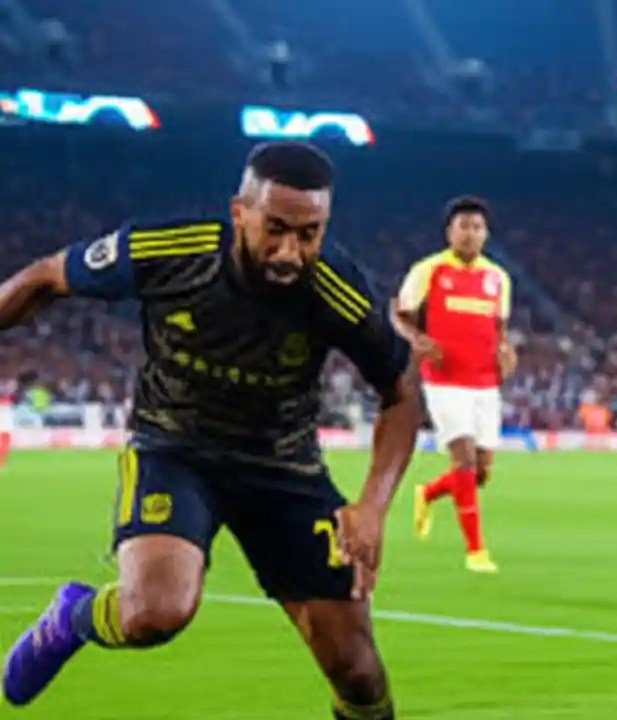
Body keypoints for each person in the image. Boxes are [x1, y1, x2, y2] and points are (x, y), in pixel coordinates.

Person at [1, 141, 422, 720]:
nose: (290, 252)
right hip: (173, 449)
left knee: (358, 671)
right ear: (238, 212)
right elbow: (47, 276)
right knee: (154, 612)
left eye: (309, 233)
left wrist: (372, 505)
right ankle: (72, 618)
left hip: (284, 469)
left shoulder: (337, 290)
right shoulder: (167, 250)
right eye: (274, 228)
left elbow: (402, 390)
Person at [392, 196, 515, 573]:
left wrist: (507, 352)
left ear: (486, 234)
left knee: (481, 471)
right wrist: (417, 340)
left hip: (485, 382)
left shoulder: (497, 278)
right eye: (463, 226)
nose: (470, 233)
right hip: (445, 380)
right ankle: (475, 550)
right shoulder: (428, 270)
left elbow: (500, 329)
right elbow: (398, 313)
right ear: (450, 232)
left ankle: (427, 493)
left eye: (477, 227)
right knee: (462, 459)